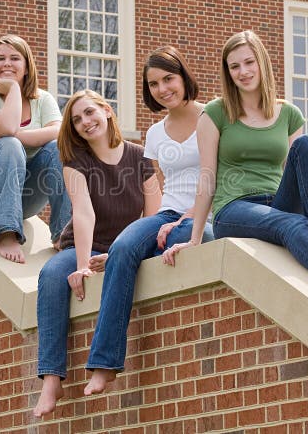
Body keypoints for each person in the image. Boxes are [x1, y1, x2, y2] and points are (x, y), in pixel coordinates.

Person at [163, 30, 308, 292]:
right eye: (234, 66)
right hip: (235, 208)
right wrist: (195, 238)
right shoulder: (215, 113)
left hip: (277, 202)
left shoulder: (289, 114)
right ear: (228, 72)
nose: (243, 71)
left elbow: (301, 172)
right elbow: (207, 176)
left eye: (249, 62)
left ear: (262, 63)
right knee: (291, 223)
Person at [83, 46, 214, 396]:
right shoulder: (154, 133)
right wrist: (150, 230)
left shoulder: (213, 116)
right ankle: (105, 363)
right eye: (153, 83)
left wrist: (186, 218)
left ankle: (144, 251)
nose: (162, 89)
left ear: (183, 77)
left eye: (168, 79)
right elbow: (160, 189)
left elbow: (216, 178)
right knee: (124, 246)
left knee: (181, 233)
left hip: (204, 215)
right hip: (168, 213)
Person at [33, 90, 161, 418]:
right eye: (76, 120)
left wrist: (122, 252)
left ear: (106, 110)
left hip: (124, 247)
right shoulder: (75, 161)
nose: (85, 123)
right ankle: (51, 378)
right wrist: (82, 266)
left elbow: (153, 216)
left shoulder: (141, 157)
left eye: (89, 113)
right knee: (50, 275)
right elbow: (83, 213)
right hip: (82, 245)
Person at [0, 34, 71, 263]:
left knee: (58, 147)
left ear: (27, 66)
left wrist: (16, 135)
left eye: (15, 58)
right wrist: (14, 91)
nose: (7, 63)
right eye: (0, 58)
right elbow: (6, 126)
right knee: (8, 143)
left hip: (21, 196)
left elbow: (59, 132)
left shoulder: (42, 99)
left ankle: (62, 235)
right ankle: (6, 232)